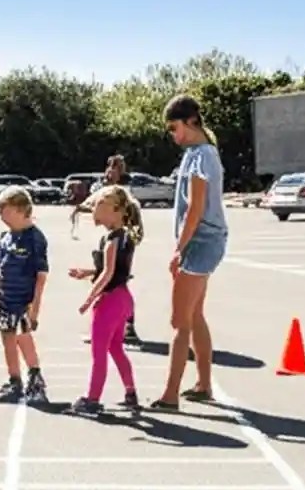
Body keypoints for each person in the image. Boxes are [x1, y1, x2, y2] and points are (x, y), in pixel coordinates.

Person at [151, 95, 228, 411]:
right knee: (194, 315)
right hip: (202, 240)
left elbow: (196, 208)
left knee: (179, 321)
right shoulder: (196, 154)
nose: (173, 134)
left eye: (174, 127)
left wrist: (178, 249)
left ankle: (170, 395)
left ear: (191, 122)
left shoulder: (202, 156)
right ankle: (204, 385)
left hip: (201, 242)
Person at [68, 186, 143, 416]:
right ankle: (131, 392)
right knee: (116, 348)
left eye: (99, 207)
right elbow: (112, 269)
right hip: (123, 299)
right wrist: (88, 272)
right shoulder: (124, 236)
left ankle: (92, 399)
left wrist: (90, 298)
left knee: (99, 352)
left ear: (115, 210)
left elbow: (108, 273)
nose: (94, 212)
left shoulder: (112, 239)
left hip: (110, 301)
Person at [0, 186, 49, 404]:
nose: (2, 218)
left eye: (5, 213)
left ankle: (35, 378)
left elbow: (41, 276)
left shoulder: (35, 238)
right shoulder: (5, 238)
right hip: (6, 297)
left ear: (21, 209)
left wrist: (35, 308)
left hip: (24, 300)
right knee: (7, 338)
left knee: (23, 338)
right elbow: (2, 268)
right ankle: (14, 381)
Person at [78, 155, 143, 348]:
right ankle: (108, 327)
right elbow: (94, 200)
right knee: (108, 274)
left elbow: (131, 208)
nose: (111, 171)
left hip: (125, 233)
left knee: (119, 279)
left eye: (116, 167)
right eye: (110, 167)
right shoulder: (103, 186)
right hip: (112, 233)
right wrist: (81, 207)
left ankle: (127, 327)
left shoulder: (123, 188)